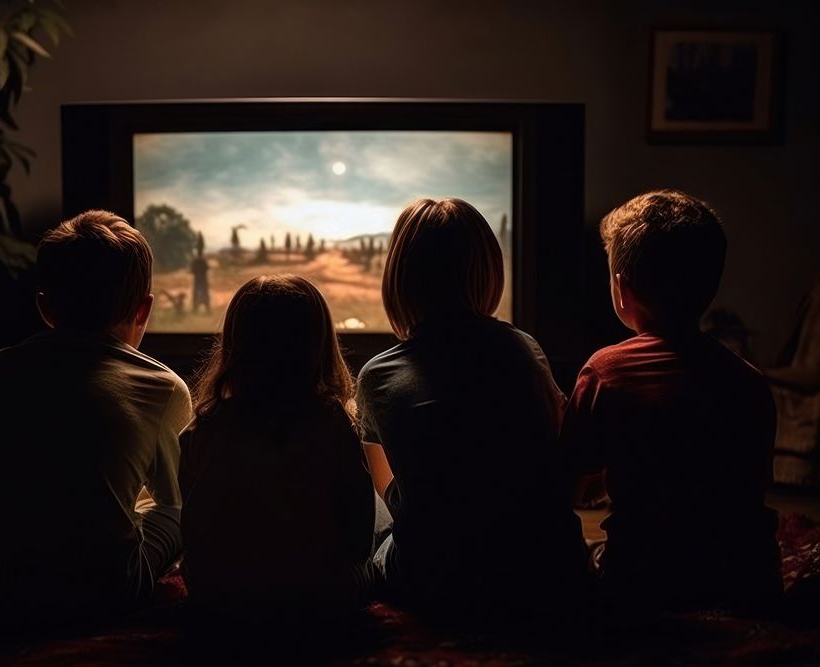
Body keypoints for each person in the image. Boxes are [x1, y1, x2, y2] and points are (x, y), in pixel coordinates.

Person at [0, 210, 193, 620]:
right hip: (105, 594)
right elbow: (174, 499)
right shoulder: (163, 387)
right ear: (143, 310)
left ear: (45, 307)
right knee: (181, 509)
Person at [355, 198, 588, 622]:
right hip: (548, 569)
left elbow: (391, 490)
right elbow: (557, 453)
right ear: (487, 272)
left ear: (400, 279)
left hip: (437, 581)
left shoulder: (377, 376)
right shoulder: (523, 349)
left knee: (371, 505)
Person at [560, 190, 782, 617]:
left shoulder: (606, 371)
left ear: (621, 289)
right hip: (746, 579)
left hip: (645, 580)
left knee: (577, 562)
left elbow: (568, 486)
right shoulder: (749, 382)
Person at [179, 275, 374, 617]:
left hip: (219, 597)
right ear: (320, 345)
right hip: (318, 598)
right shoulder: (333, 425)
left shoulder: (201, 428)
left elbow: (193, 529)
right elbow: (358, 536)